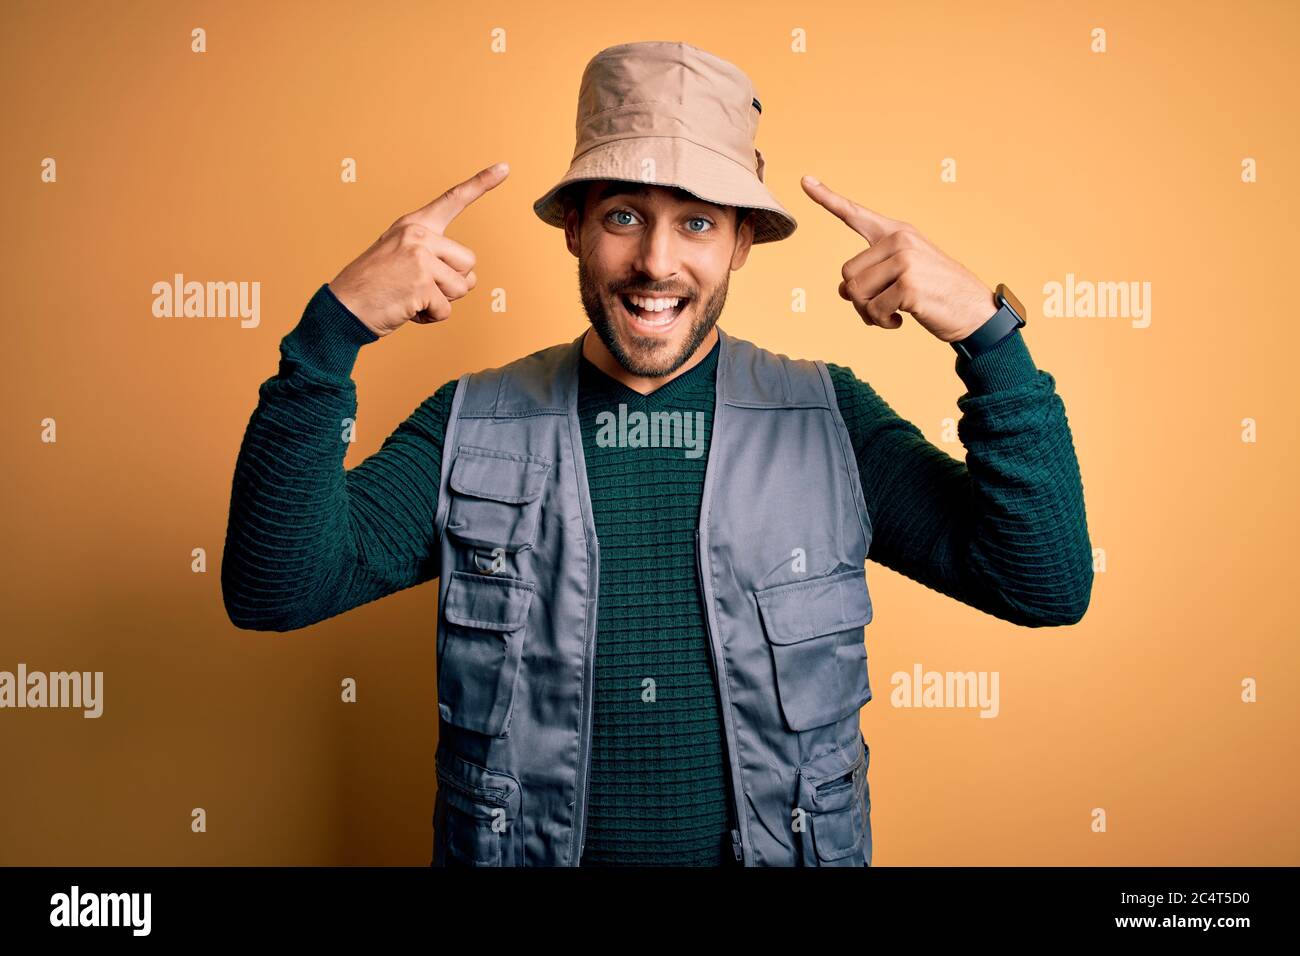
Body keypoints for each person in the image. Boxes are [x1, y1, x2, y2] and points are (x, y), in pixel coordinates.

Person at [221, 41, 1092, 867]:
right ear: (572, 226)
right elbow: (275, 591)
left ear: (741, 244)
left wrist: (989, 334)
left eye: (699, 223)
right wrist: (330, 333)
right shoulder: (472, 421)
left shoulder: (831, 419)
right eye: (625, 217)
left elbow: (1042, 587)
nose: (655, 263)